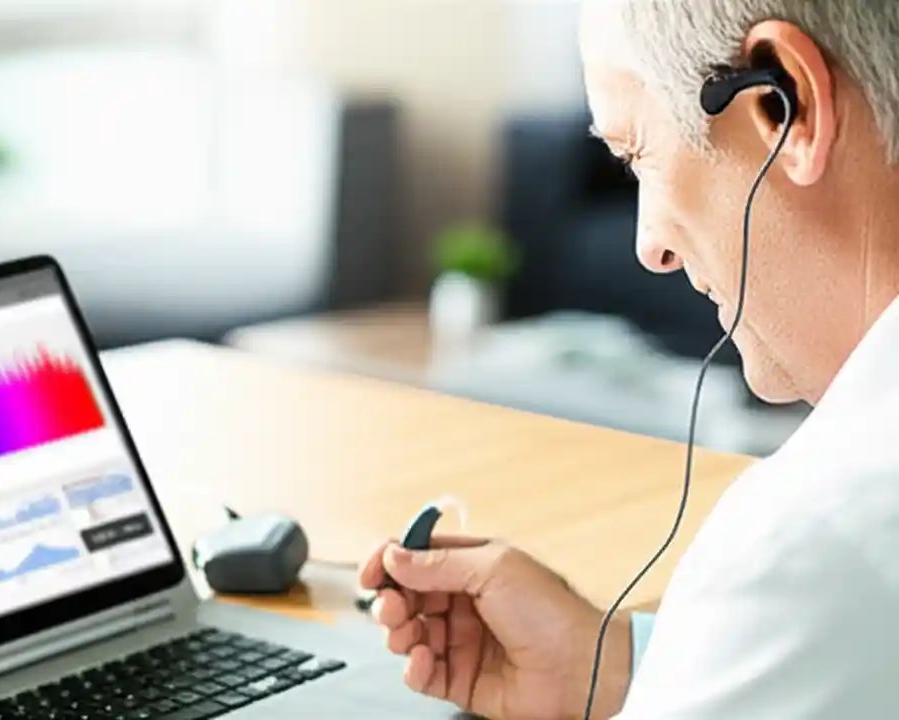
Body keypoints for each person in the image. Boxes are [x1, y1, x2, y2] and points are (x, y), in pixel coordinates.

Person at [359, 1, 899, 718]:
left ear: (784, 104)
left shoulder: (811, 548)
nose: (652, 248)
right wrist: (622, 665)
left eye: (637, 152)